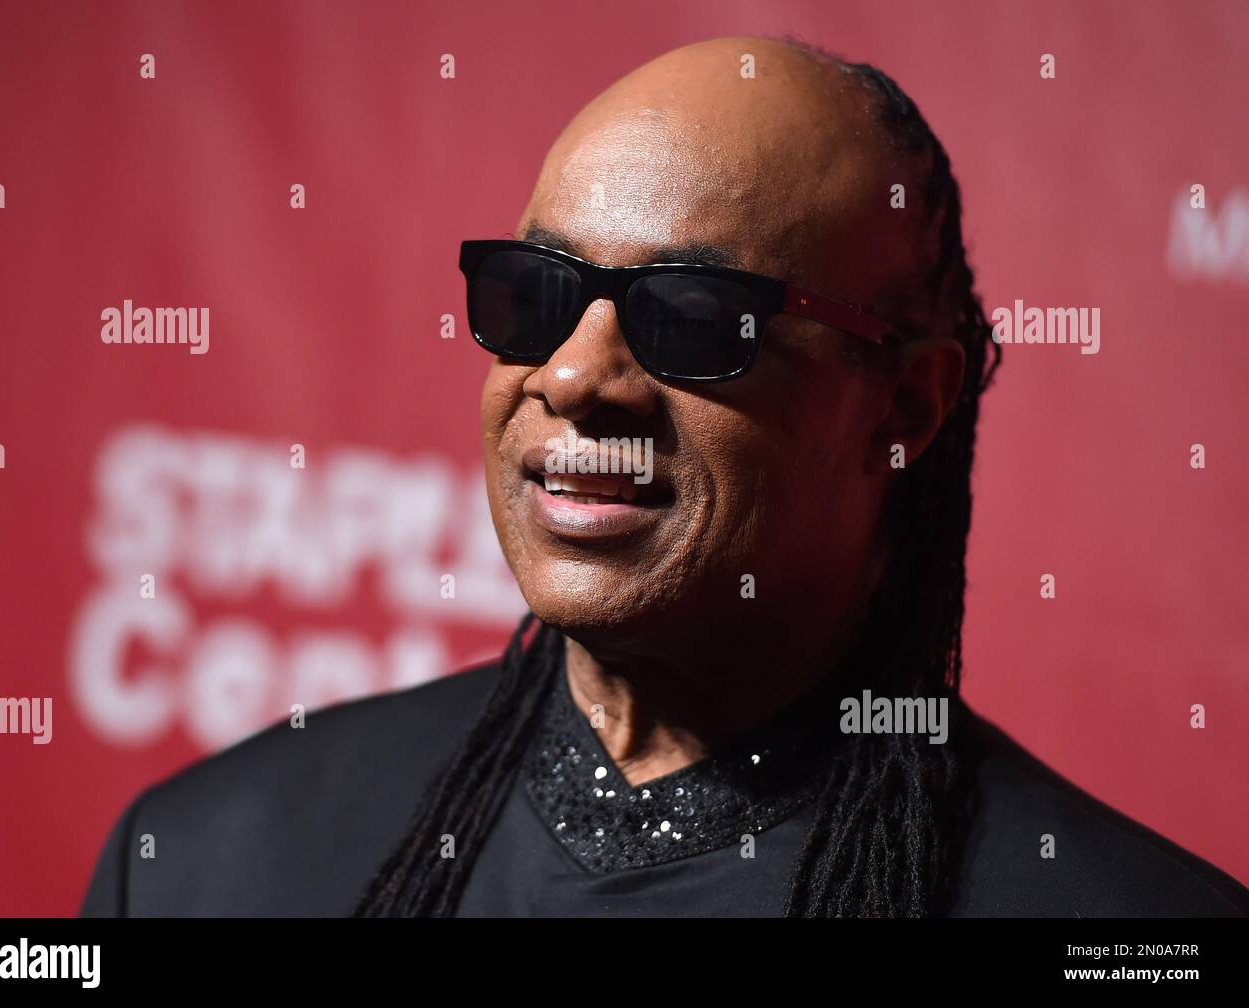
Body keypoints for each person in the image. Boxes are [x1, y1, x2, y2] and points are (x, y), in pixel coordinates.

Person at [80, 36, 1248, 918]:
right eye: (531, 298)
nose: (578, 376)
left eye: (694, 316)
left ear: (903, 406)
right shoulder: (204, 861)